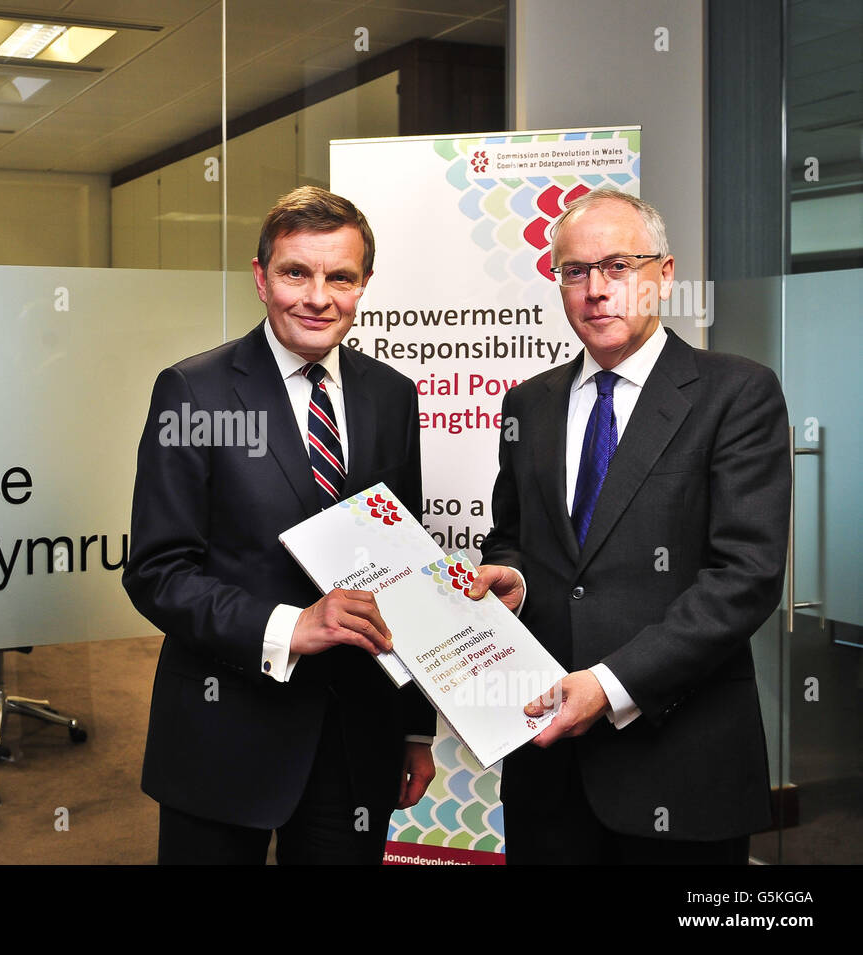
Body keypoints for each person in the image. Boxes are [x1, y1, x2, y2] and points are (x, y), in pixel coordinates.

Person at [469, 188, 790, 864]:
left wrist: (611, 684)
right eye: (575, 271)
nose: (595, 290)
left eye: (618, 266)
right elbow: (513, 535)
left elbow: (746, 577)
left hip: (681, 761)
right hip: (548, 771)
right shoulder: (529, 402)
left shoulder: (736, 393)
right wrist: (514, 580)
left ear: (664, 276)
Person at [122, 186, 436, 865]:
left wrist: (415, 728)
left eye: (340, 276)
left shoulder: (392, 395)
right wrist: (289, 626)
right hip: (224, 731)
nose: (318, 296)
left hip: (356, 738)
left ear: (364, 285)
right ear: (262, 278)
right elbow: (156, 572)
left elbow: (405, 568)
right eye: (297, 272)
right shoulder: (194, 391)